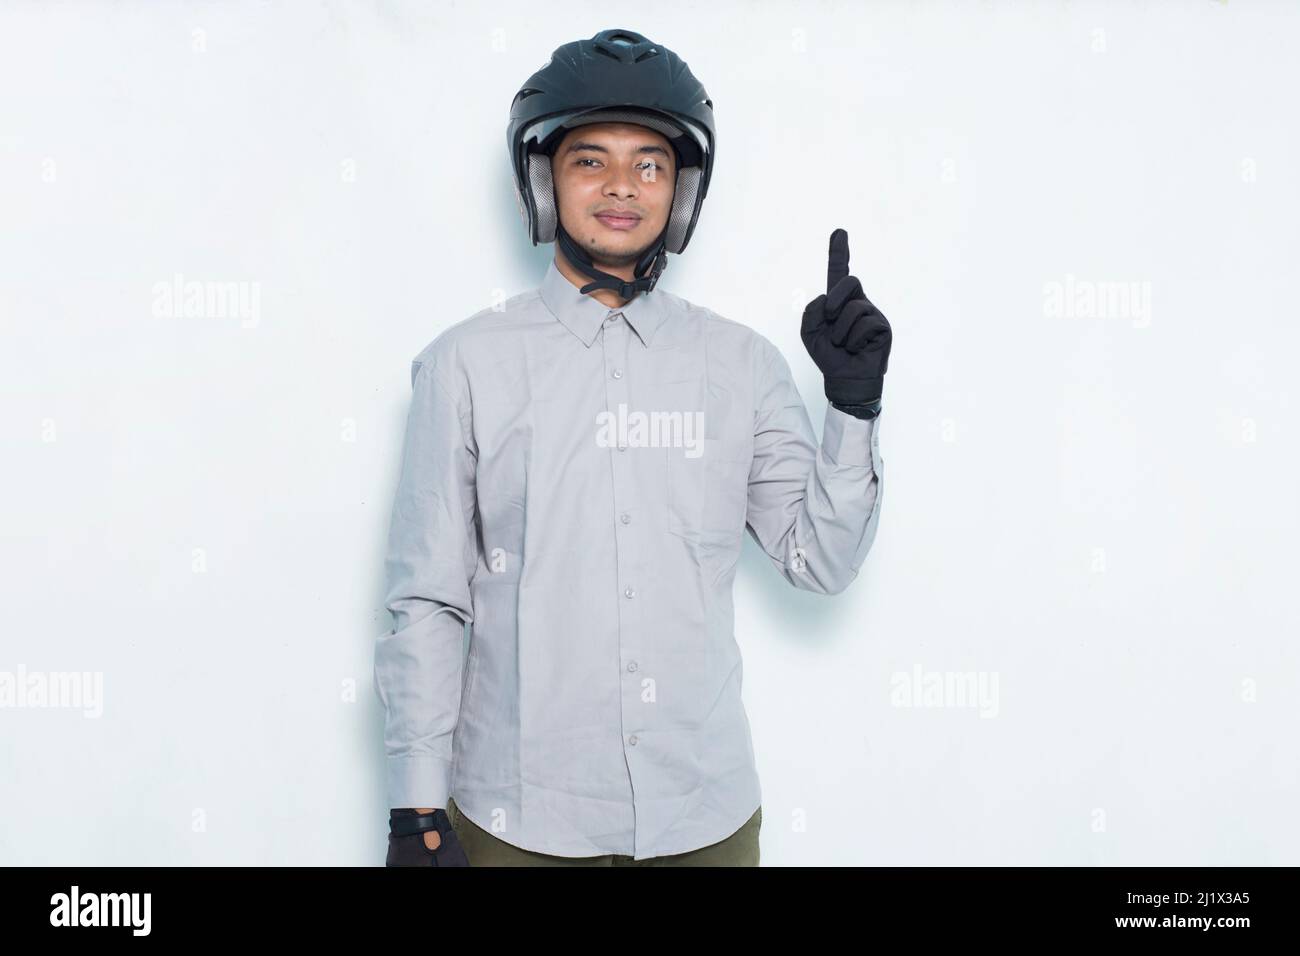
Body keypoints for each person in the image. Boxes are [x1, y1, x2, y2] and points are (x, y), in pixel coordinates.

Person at [376, 28, 891, 867]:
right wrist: (414, 807)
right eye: (591, 160)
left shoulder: (744, 366)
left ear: (681, 192)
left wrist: (853, 405)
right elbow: (429, 599)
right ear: (543, 182)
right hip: (516, 825)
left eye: (650, 163)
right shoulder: (465, 363)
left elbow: (821, 562)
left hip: (705, 822)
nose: (623, 186)